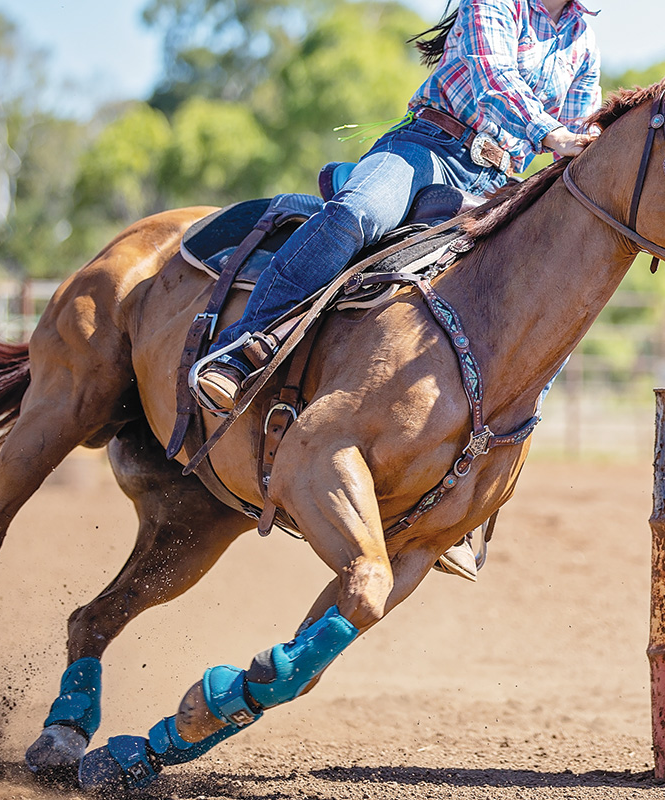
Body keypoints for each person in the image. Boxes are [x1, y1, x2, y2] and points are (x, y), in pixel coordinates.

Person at [191, 0, 601, 580]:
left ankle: (473, 483)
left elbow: (581, 126)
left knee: (544, 304)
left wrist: (582, 146)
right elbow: (493, 76)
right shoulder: (494, 4)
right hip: (428, 148)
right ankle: (241, 348)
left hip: (499, 180)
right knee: (357, 214)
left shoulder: (582, 35)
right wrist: (553, 134)